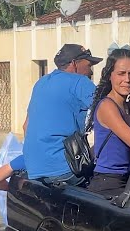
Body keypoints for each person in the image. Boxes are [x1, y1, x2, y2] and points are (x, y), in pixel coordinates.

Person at [21, 44, 100, 184]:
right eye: (89, 65)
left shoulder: (41, 83)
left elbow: (26, 126)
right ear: (74, 63)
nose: (91, 72)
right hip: (64, 169)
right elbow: (110, 111)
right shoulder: (80, 81)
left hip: (34, 169)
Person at [89, 49, 130, 195]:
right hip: (109, 183)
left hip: (126, 178)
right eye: (121, 73)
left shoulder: (126, 106)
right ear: (109, 75)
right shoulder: (107, 106)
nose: (127, 80)